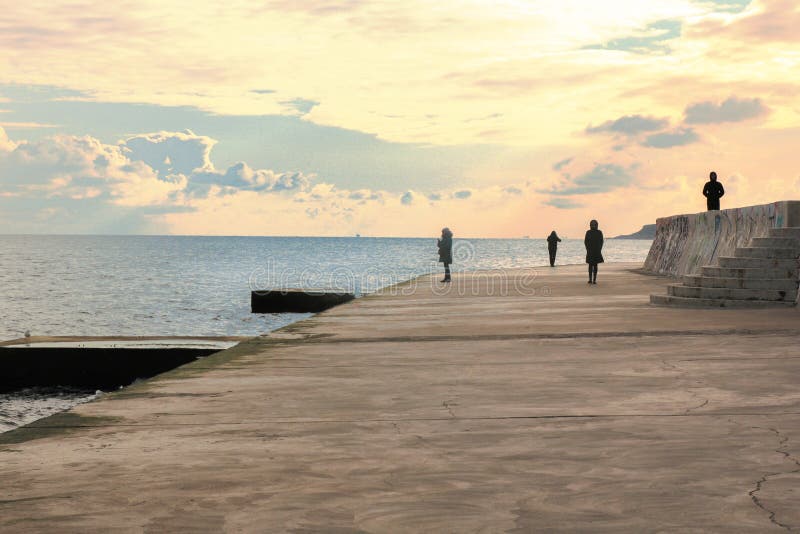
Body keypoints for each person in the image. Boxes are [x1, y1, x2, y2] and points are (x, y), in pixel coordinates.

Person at [584, 220, 604, 285]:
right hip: (590, 251)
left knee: (595, 265)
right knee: (590, 265)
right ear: (590, 225)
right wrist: (587, 249)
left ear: (597, 225)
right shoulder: (588, 232)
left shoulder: (599, 232)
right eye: (592, 224)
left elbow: (601, 241)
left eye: (594, 224)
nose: (593, 225)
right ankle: (590, 279)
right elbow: (585, 241)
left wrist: (599, 249)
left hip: (596, 251)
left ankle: (594, 280)